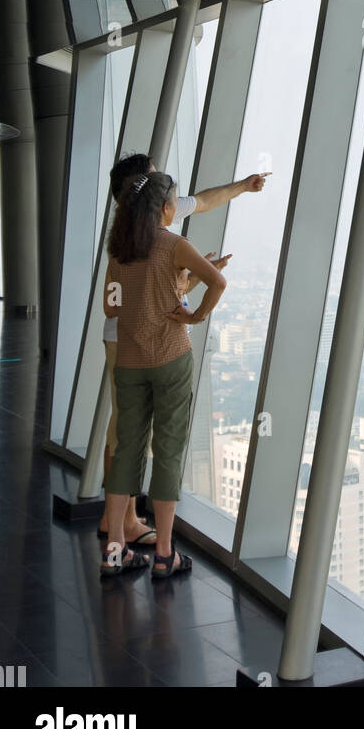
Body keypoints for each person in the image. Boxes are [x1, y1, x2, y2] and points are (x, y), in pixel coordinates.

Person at [98, 155, 270, 546]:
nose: (167, 184)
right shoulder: (165, 238)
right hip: (150, 344)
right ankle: (143, 535)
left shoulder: (122, 239)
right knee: (154, 440)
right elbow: (155, 298)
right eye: (157, 177)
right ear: (151, 196)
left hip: (125, 342)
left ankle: (117, 532)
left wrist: (243, 185)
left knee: (125, 433)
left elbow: (119, 300)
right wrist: (188, 296)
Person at [101, 171, 227, 578]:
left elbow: (112, 306)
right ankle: (164, 555)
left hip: (130, 361)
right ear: (165, 209)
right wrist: (194, 314)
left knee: (126, 450)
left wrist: (155, 290)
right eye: (174, 202)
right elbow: (218, 281)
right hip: (171, 358)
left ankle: (115, 551)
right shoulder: (174, 243)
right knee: (168, 450)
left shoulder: (119, 249)